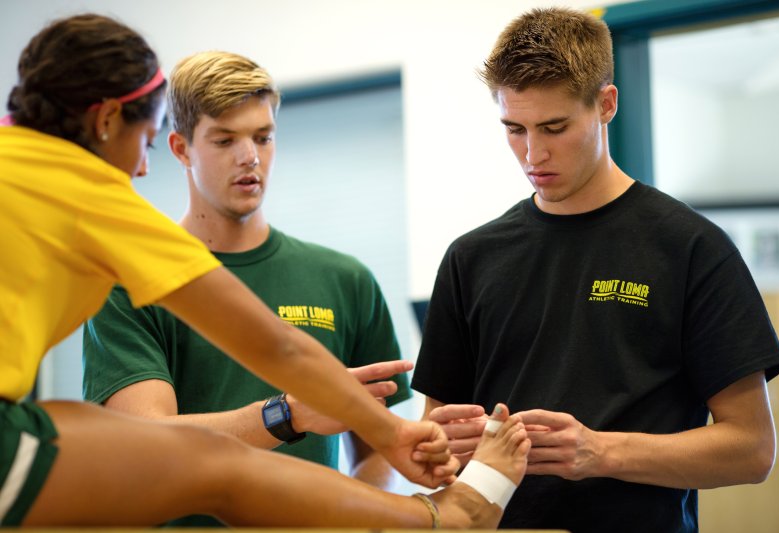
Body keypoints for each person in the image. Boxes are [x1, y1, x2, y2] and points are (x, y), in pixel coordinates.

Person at [0, 13, 533, 528]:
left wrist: (390, 434)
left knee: (86, 427)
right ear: (107, 120)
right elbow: (277, 349)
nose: (141, 168)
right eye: (145, 141)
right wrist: (382, 430)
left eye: (263, 136)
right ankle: (446, 518)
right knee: (213, 465)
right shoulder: (89, 196)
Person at [410, 7, 779, 533]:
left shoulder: (691, 247)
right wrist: (439, 445)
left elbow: (751, 450)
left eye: (555, 126)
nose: (532, 153)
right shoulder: (470, 258)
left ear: (606, 104)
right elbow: (436, 447)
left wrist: (599, 452)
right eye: (513, 128)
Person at [82, 50, 413, 527]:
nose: (250, 157)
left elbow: (377, 452)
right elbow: (149, 444)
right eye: (224, 139)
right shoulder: (131, 282)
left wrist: (349, 512)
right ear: (180, 149)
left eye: (263, 137)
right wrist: (287, 415)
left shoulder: (346, 279)